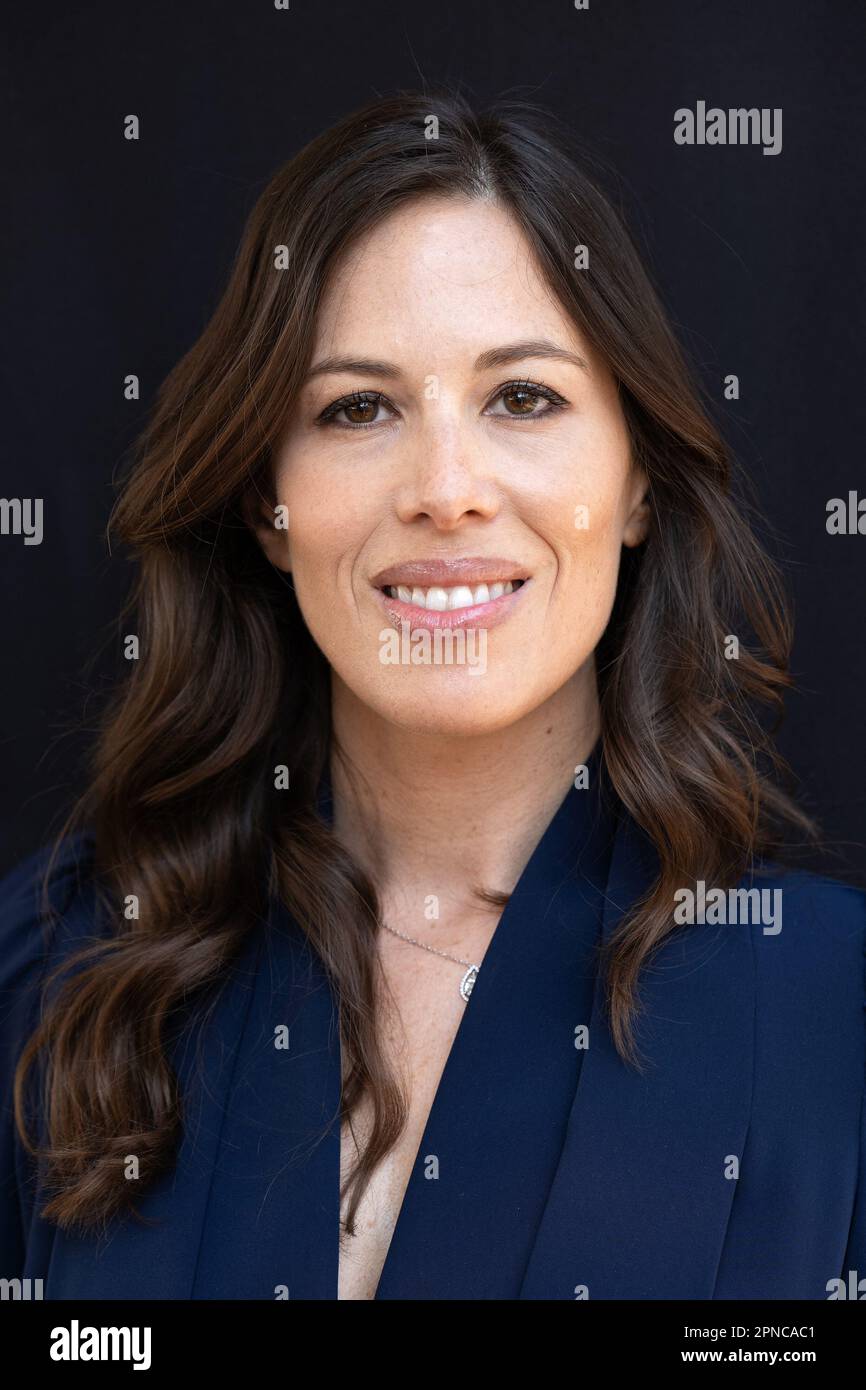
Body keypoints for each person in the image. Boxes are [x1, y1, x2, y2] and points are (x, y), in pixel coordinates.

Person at [1, 89, 864, 1301]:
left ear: (633, 485)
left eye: (523, 398)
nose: (445, 489)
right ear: (267, 502)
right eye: (358, 408)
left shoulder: (834, 1009)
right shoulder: (50, 972)